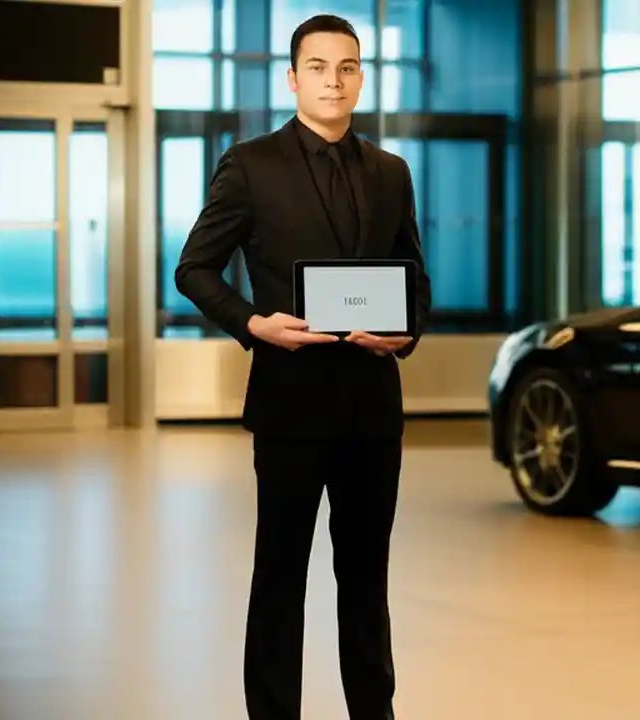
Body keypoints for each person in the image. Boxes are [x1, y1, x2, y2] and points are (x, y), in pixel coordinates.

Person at [174, 13, 431, 720]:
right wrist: (254, 326)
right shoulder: (251, 165)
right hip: (290, 404)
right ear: (293, 78)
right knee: (280, 579)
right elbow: (193, 269)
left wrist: (402, 334)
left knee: (366, 581)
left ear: (360, 78)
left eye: (347, 67)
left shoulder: (390, 172)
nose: (334, 80)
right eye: (318, 67)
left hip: (373, 409)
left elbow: (414, 277)